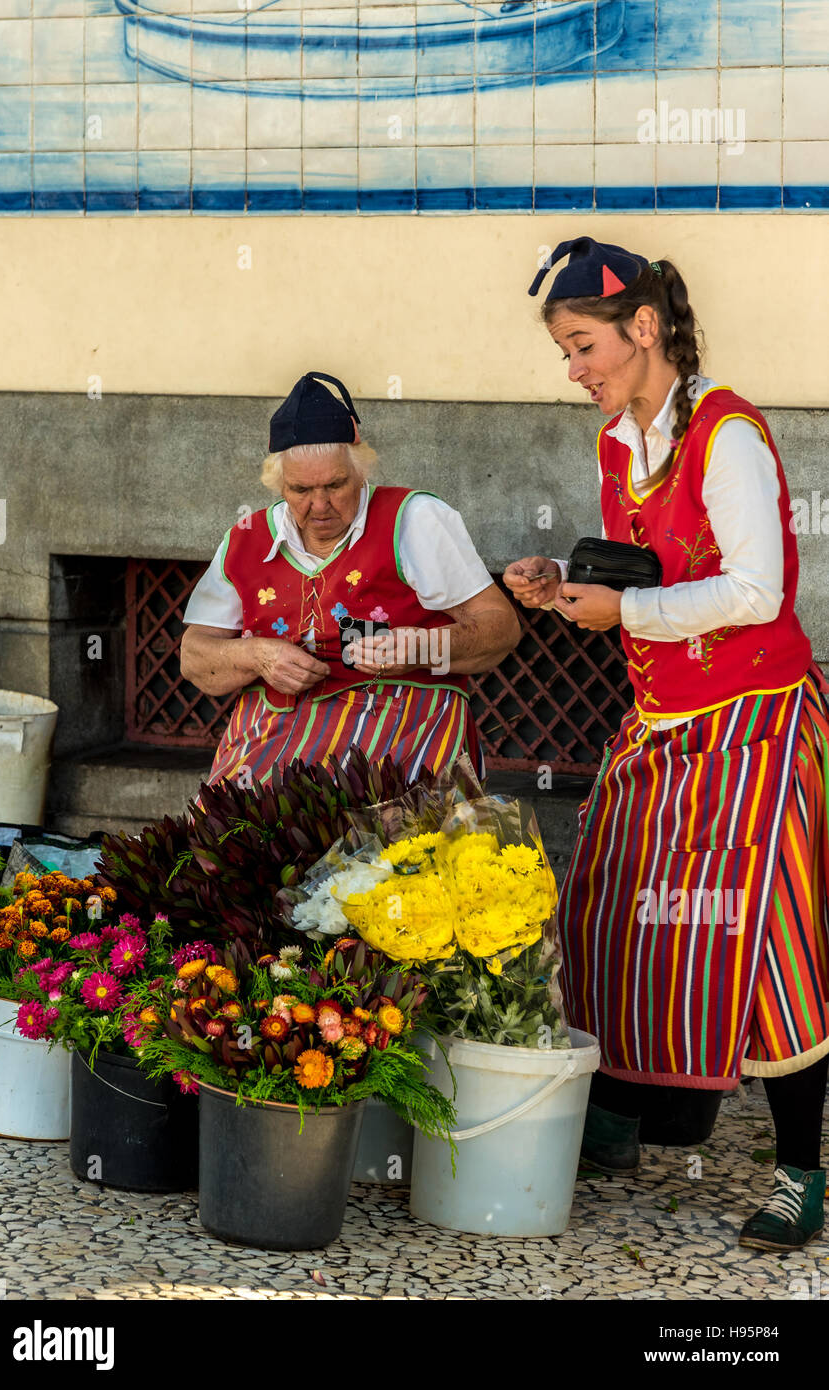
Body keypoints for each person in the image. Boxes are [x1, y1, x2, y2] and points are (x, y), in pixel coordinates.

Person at [504, 236, 829, 1252]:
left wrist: (625, 606)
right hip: (663, 721)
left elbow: (754, 590)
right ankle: (622, 1117)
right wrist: (563, 580)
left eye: (582, 344)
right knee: (607, 907)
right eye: (564, 351)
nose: (573, 369)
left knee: (767, 939)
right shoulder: (619, 442)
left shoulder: (725, 432)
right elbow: (645, 567)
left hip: (756, 721)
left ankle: (799, 1169)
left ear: (643, 329)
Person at [182, 370, 519, 789]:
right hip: (274, 738)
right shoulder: (245, 539)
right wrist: (258, 657)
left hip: (400, 728)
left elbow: (500, 629)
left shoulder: (414, 519)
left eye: (335, 485)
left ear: (360, 471)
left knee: (375, 841)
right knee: (232, 840)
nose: (320, 505)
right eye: (300, 490)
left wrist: (422, 647)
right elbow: (195, 656)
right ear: (279, 484)